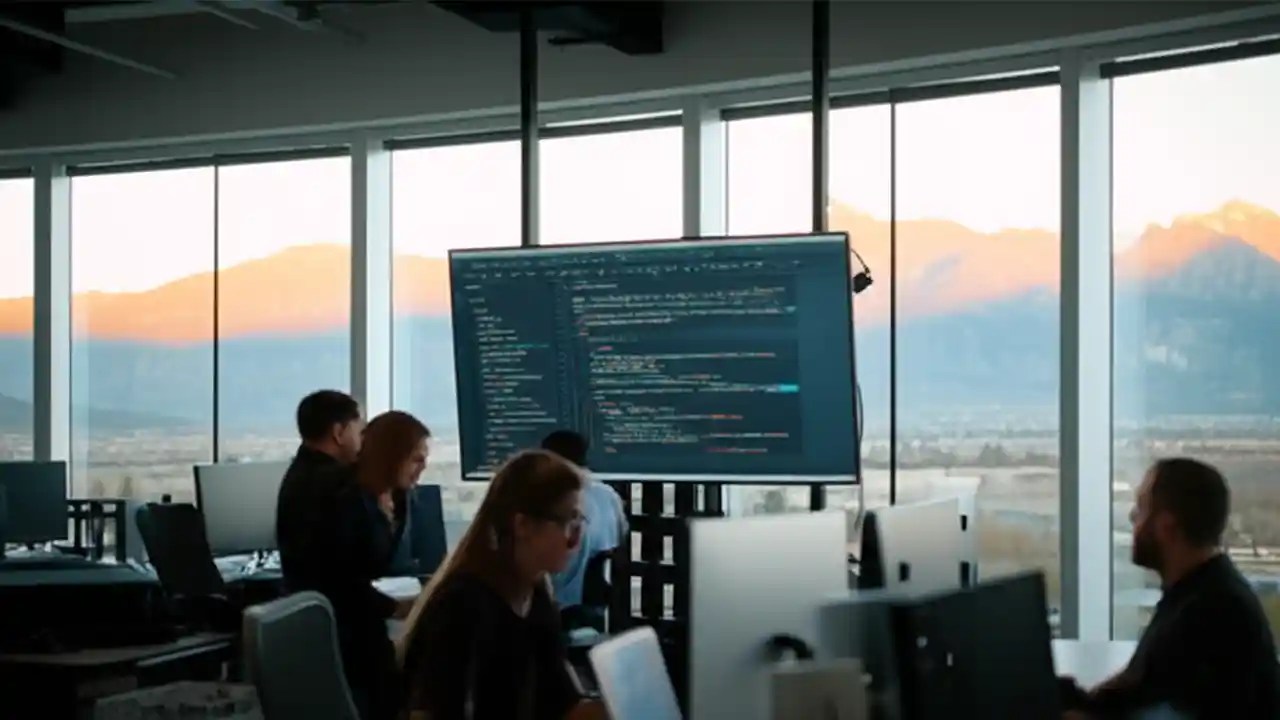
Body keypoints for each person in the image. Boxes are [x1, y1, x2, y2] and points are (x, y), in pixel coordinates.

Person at [397, 450, 607, 720]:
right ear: (523, 525)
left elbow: (562, 705)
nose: (576, 540)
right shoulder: (463, 605)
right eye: (569, 522)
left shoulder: (536, 596)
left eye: (580, 523)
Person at [1061, 458, 1278, 719]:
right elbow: (1141, 682)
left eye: (1140, 508)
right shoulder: (1206, 591)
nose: (1132, 517)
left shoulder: (1207, 615)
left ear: (1167, 525)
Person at [285, 410, 431, 720]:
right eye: (417, 459)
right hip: (345, 637)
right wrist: (395, 608)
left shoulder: (395, 498)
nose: (424, 468)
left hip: (363, 626)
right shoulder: (346, 499)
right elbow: (338, 580)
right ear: (394, 455)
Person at [540, 430, 627, 627]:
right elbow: (620, 545)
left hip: (552, 611)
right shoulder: (608, 496)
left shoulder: (550, 500)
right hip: (594, 609)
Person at [276, 389, 364, 581]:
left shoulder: (300, 473)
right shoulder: (339, 483)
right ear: (339, 432)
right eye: (359, 431)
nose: (362, 441)